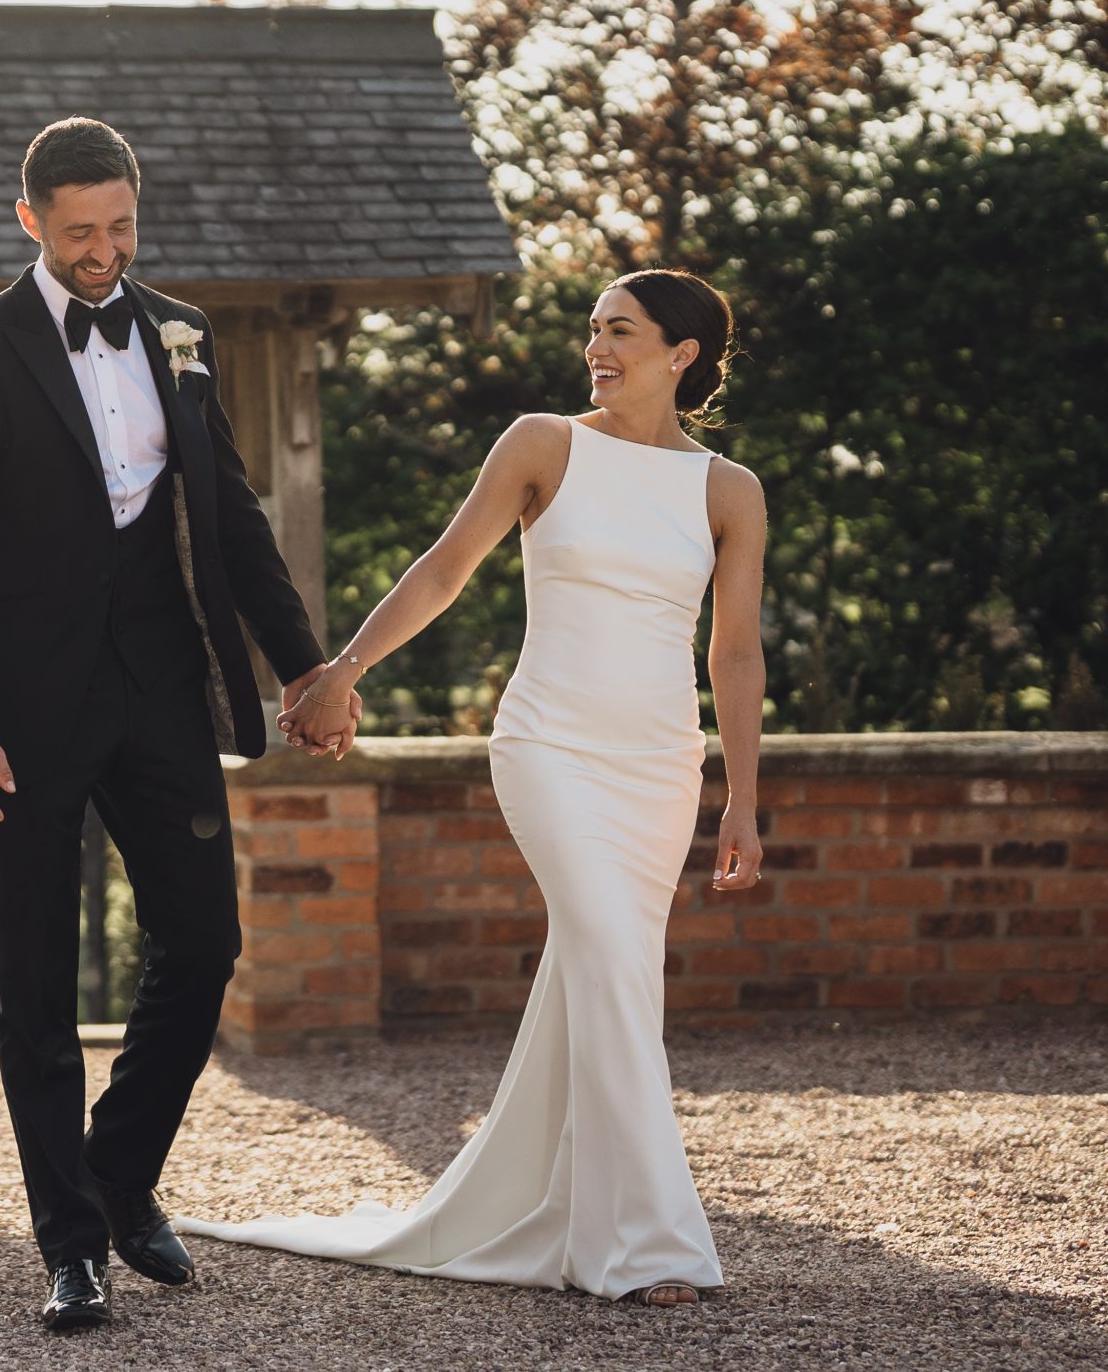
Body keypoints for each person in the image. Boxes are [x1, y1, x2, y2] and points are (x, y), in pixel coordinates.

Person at [175, 268, 767, 1307]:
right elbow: (445, 567)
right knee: (609, 959)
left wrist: (745, 796)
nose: (597, 345)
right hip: (549, 746)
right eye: (592, 328)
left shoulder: (728, 489)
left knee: (609, 968)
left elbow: (736, 653)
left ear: (680, 354)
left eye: (620, 331)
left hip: (658, 762)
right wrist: (340, 669)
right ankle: (654, 1243)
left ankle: (554, 1212)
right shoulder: (543, 442)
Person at [0, 116, 354, 1332]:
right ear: (31, 220)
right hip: (27, 711)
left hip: (164, 690)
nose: (104, 250)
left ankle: (119, 1172)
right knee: (36, 979)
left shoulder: (182, 333)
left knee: (203, 944)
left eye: (121, 227)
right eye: (80, 230)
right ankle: (70, 1244)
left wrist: (309, 667)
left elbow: (235, 515)